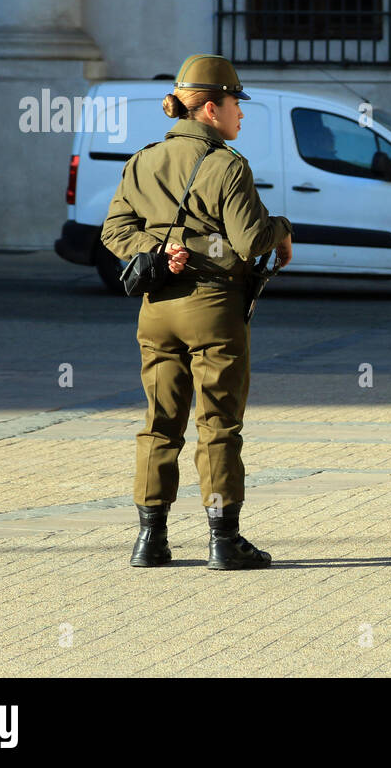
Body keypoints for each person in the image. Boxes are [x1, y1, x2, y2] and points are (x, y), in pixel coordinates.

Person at [101, 53, 294, 570]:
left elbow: (114, 232)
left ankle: (150, 540)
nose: (241, 114)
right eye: (236, 103)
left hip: (156, 309)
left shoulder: (143, 160)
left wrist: (161, 248)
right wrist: (282, 226)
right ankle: (223, 540)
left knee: (160, 423)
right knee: (218, 426)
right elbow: (250, 239)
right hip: (211, 308)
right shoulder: (227, 165)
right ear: (211, 109)